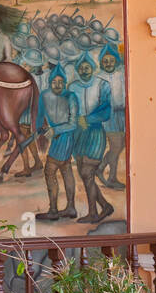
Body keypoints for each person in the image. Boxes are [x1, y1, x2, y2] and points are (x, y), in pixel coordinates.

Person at [69, 54, 114, 224]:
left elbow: (106, 110)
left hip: (94, 133)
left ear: (92, 68)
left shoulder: (102, 84)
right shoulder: (72, 87)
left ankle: (94, 213)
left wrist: (88, 119)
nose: (84, 70)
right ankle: (105, 205)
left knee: (87, 172)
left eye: (87, 67)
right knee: (85, 174)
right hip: (78, 134)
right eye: (81, 67)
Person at [34, 65, 80, 222]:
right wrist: (38, 130)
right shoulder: (44, 95)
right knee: (66, 169)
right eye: (55, 82)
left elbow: (73, 123)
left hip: (65, 137)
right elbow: (40, 115)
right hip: (55, 138)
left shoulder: (71, 96)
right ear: (49, 82)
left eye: (61, 82)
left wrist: (55, 130)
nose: (58, 85)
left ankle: (54, 210)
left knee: (50, 169)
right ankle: (71, 208)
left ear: (65, 82)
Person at [97, 43, 126, 190]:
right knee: (115, 146)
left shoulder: (121, 75)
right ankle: (101, 168)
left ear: (116, 61)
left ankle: (112, 176)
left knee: (121, 146)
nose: (108, 64)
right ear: (102, 63)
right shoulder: (100, 78)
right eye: (105, 61)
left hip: (122, 115)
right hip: (110, 117)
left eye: (111, 61)